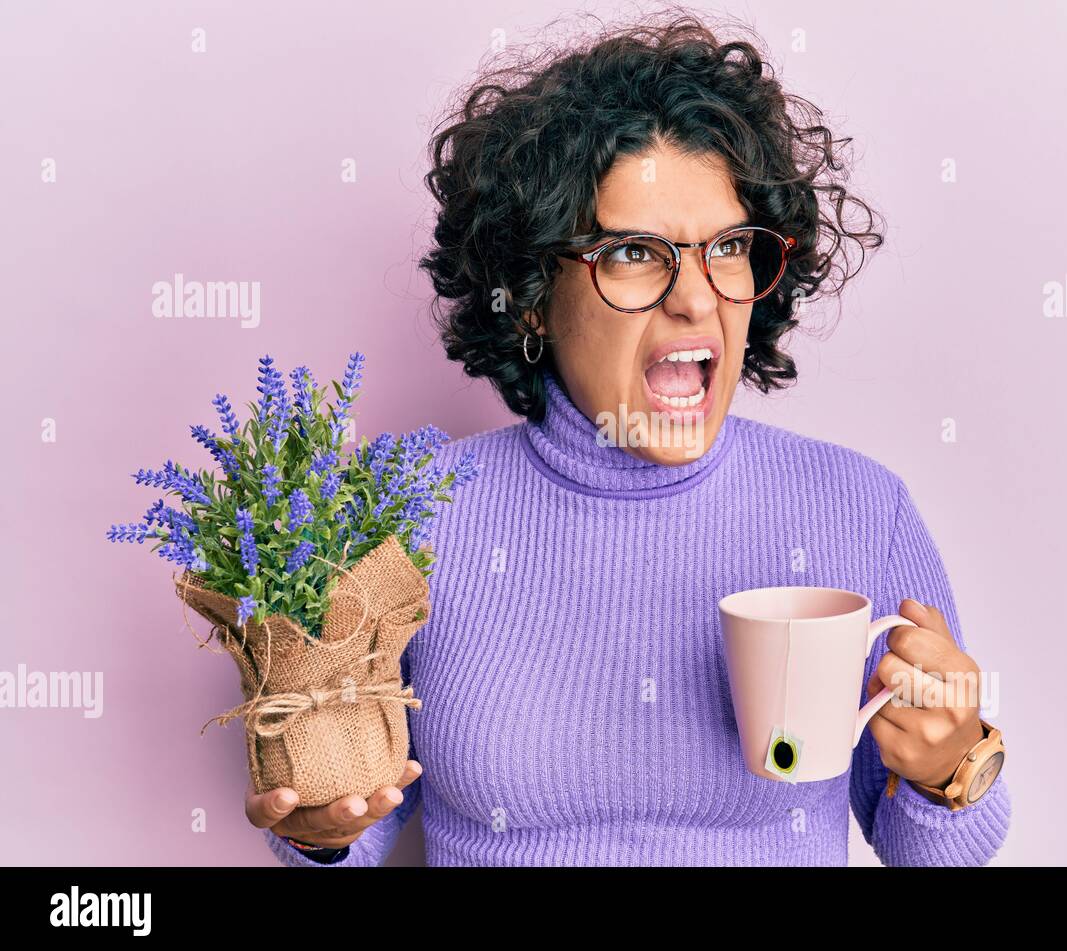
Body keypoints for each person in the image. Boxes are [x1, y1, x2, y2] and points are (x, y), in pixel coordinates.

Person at [247, 10, 1010, 866]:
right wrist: (320, 833)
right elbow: (355, 822)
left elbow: (937, 854)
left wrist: (954, 764)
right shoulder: (407, 517)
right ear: (532, 293)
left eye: (727, 246)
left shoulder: (857, 508)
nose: (696, 297)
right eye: (636, 253)